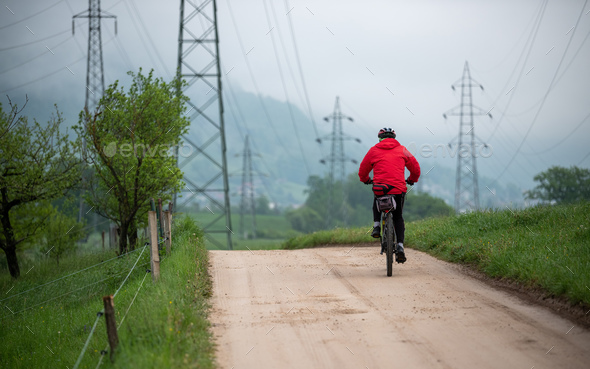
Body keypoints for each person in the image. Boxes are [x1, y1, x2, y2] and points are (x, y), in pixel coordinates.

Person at [358, 128, 421, 263]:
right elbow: (415, 168)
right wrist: (412, 179)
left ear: (380, 138)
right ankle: (400, 246)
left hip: (380, 188)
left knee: (377, 200)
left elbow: (363, 169)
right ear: (394, 138)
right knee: (398, 216)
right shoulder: (403, 150)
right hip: (398, 189)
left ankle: (376, 226)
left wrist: (366, 180)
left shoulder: (373, 150)